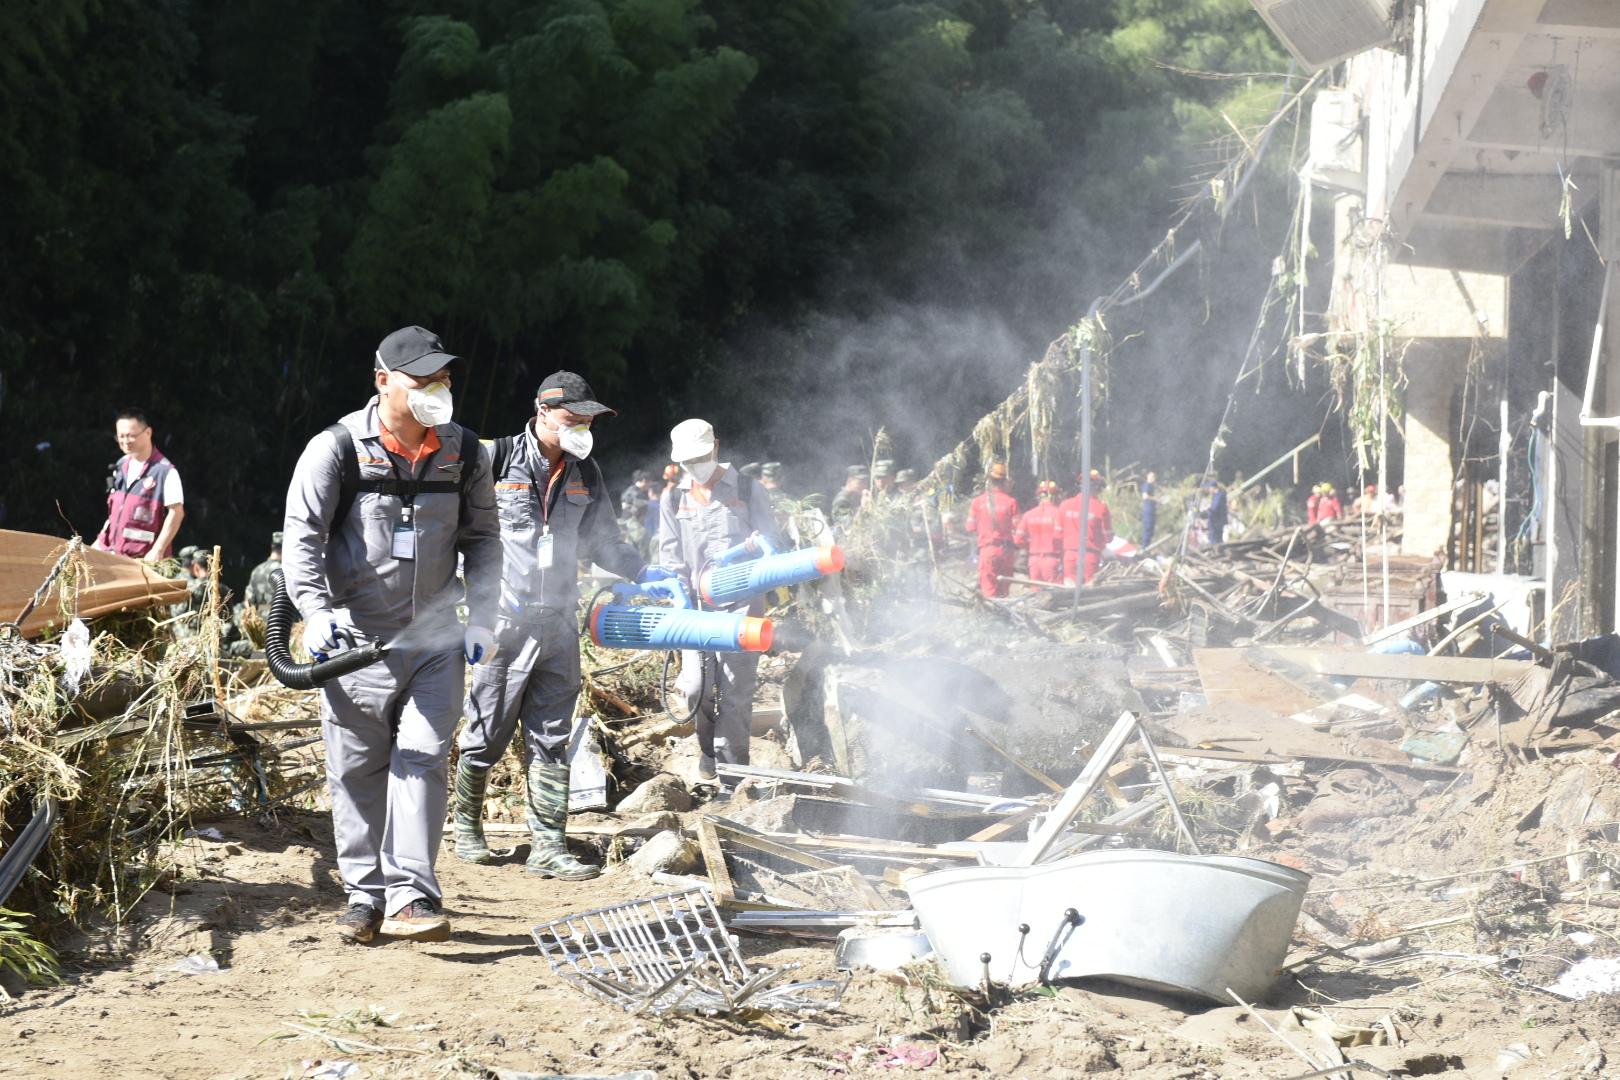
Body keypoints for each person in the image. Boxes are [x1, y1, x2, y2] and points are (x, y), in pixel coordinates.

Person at [282, 325, 501, 945]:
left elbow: (484, 539)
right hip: (357, 642)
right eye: (422, 380)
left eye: (445, 378)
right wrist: (316, 612)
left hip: (435, 639)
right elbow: (301, 540)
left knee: (425, 756)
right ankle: (364, 894)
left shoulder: (465, 452)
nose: (438, 389)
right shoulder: (335, 449)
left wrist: (482, 614)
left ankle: (412, 894)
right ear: (383, 381)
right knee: (357, 769)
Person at [455, 373, 680, 879]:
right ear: (542, 411)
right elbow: (455, 529)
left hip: (558, 621)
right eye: (572, 418)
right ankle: (466, 826)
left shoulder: (586, 473)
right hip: (502, 621)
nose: (582, 428)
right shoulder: (494, 460)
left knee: (552, 735)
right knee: (486, 731)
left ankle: (548, 845)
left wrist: (643, 571)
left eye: (588, 420)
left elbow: (604, 541)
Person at [659, 418, 786, 779]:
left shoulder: (747, 489)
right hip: (695, 608)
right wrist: (678, 600)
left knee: (736, 689)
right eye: (687, 462)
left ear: (715, 446)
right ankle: (706, 749)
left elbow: (773, 544)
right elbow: (670, 559)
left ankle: (734, 773)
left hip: (743, 605)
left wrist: (759, 545)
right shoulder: (673, 497)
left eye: (700, 457)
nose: (695, 467)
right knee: (695, 687)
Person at [94, 408, 185, 563]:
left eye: (131, 436)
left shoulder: (165, 471)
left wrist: (158, 550)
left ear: (148, 433)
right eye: (121, 436)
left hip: (145, 563)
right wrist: (98, 544)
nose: (125, 441)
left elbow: (176, 513)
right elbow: (115, 514)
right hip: (114, 558)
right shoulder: (120, 465)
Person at [965, 463, 1019, 598]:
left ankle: (992, 617)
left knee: (989, 590)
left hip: (987, 550)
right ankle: (1003, 617)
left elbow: (970, 527)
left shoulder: (977, 502)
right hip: (1006, 551)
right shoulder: (1011, 502)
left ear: (988, 480)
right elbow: (1017, 527)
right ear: (1005, 481)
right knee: (1004, 591)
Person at [1060, 470, 1113, 586]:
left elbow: (1058, 534)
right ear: (1097, 487)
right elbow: (1108, 537)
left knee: (1069, 592)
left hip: (1070, 556)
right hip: (1090, 556)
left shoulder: (1065, 505)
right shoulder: (1101, 507)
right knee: (1089, 595)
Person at [1014, 480, 1064, 584]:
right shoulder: (1059, 514)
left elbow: (1018, 540)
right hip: (1052, 560)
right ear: (1054, 496)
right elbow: (1062, 539)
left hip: (1033, 561)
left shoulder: (1028, 515)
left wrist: (1030, 545)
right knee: (1055, 596)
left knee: (1036, 596)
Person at [244, 532, 283, 611]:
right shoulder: (287, 571)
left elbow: (248, 602)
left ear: (272, 547)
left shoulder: (257, 570)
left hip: (259, 621)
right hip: (281, 620)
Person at [1205, 480, 1229, 545]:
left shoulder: (1220, 496)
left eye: (1209, 488)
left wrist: (1207, 510)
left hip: (1217, 522)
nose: (1209, 490)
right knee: (1215, 539)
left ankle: (1216, 552)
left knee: (1215, 540)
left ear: (1213, 487)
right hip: (1214, 521)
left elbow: (1215, 508)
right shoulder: (1216, 496)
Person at [1140, 471, 1159, 548]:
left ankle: (1147, 547)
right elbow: (1145, 496)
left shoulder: (1152, 487)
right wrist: (1155, 499)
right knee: (1148, 529)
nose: (1154, 479)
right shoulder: (1147, 485)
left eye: (1154, 477)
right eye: (1152, 477)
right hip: (1148, 511)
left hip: (1151, 511)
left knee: (1151, 530)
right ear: (1148, 477)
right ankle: (1144, 548)